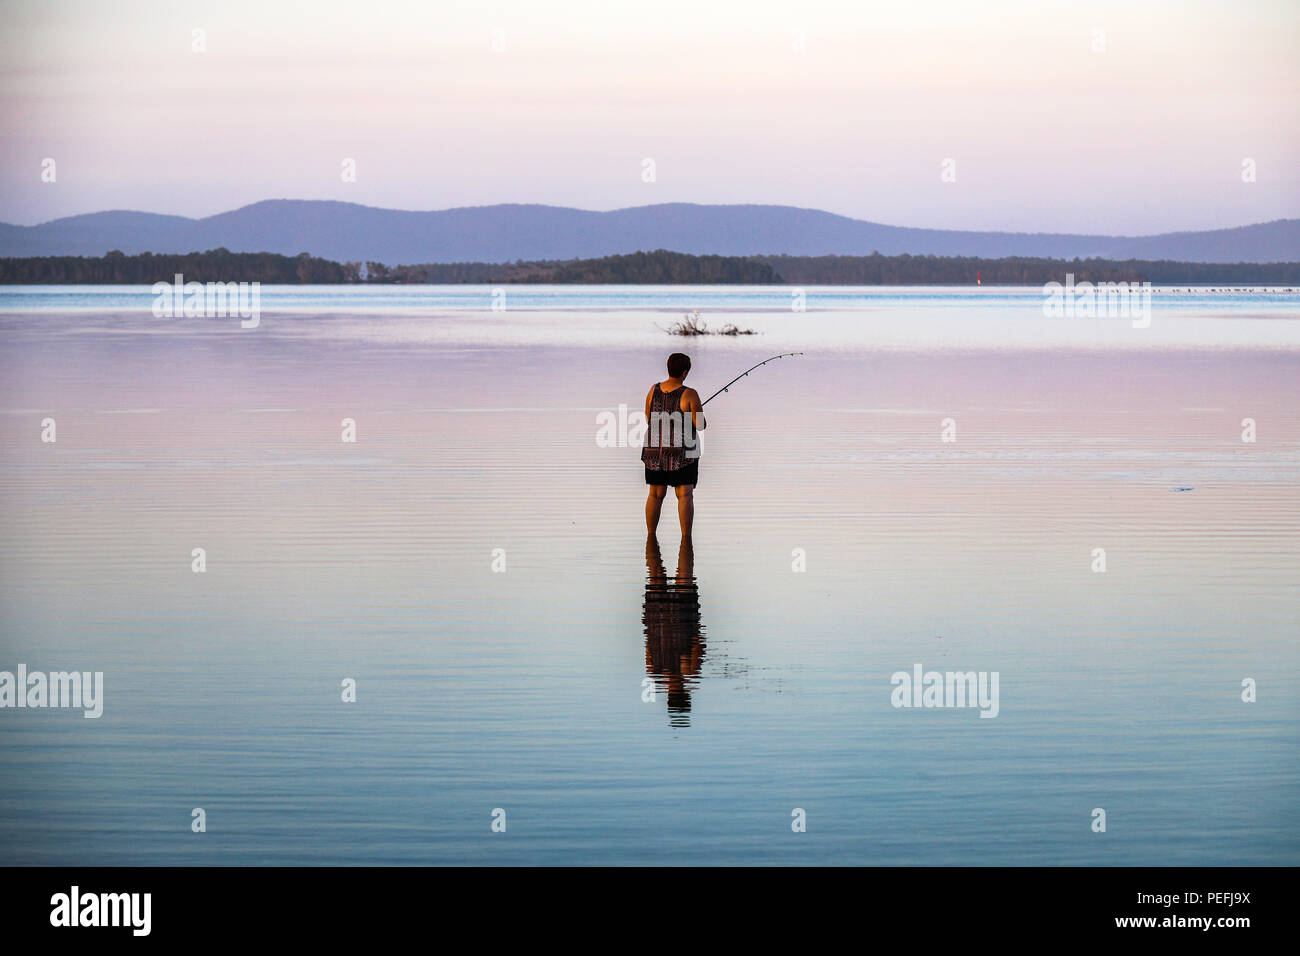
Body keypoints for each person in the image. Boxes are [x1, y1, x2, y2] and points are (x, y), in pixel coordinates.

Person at [642, 352, 706, 536]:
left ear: (668, 369)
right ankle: (686, 539)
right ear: (685, 373)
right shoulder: (690, 394)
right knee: (685, 494)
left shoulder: (652, 390)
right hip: (682, 453)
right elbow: (700, 425)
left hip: (655, 450)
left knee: (655, 494)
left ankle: (651, 537)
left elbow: (649, 418)